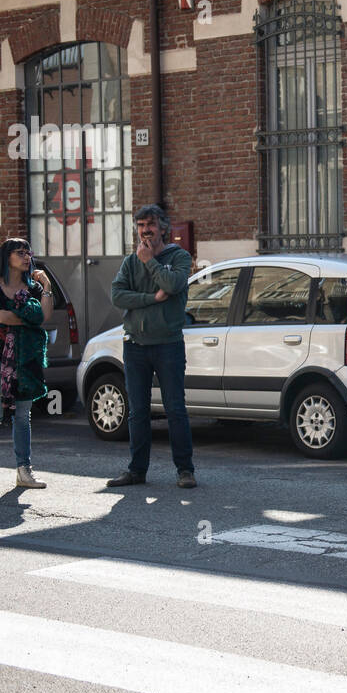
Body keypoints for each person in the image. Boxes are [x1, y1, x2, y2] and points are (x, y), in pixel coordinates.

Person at [106, 204, 196, 489]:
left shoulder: (179, 256)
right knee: (137, 411)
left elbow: (172, 284)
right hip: (135, 345)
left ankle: (185, 470)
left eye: (151, 225)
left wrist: (150, 261)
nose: (146, 230)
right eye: (141, 225)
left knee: (175, 408)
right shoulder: (130, 261)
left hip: (168, 344)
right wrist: (150, 299)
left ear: (163, 228)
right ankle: (137, 471)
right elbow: (117, 295)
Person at [0, 238, 53, 492]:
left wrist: (47, 286)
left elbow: (44, 316)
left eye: (28, 252)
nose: (26, 257)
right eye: (20, 252)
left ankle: (24, 471)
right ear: (7, 257)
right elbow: (0, 316)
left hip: (26, 358)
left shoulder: (33, 289)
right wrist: (30, 319)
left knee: (23, 416)